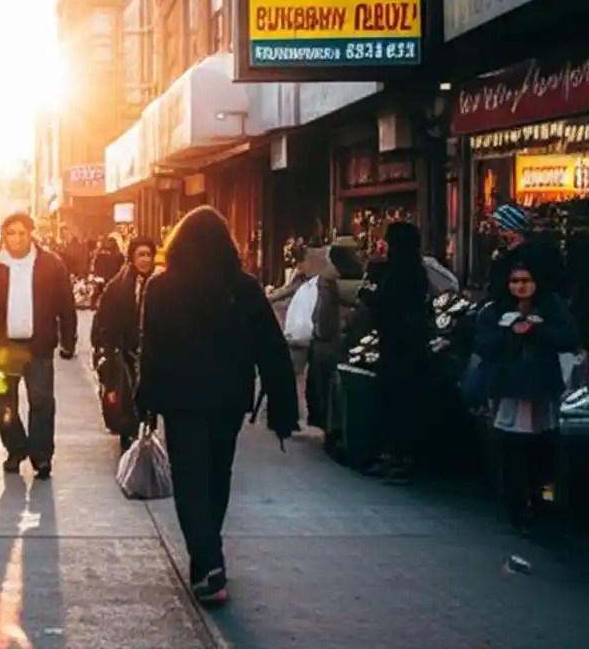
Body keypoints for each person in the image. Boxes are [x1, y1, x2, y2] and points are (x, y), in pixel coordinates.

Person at [136, 206, 298, 605]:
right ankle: (208, 560)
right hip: (227, 400)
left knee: (190, 482)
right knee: (217, 476)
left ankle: (208, 563)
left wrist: (146, 400)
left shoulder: (161, 287)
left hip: (181, 399)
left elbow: (150, 349)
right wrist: (282, 407)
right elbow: (272, 349)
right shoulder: (243, 287)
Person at [0, 212, 77, 479]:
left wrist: (68, 339)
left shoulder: (51, 264)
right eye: (10, 233)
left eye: (21, 233)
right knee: (3, 404)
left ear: (31, 234)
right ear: (3, 235)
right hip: (2, 349)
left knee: (41, 401)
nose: (16, 239)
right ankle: (15, 448)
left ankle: (41, 456)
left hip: (38, 347)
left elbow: (66, 304)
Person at [474, 260, 580, 532]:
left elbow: (568, 337)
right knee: (511, 450)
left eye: (526, 280)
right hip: (508, 391)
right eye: (515, 281)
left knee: (542, 448)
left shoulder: (551, 308)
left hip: (541, 391)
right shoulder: (494, 311)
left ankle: (539, 498)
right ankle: (517, 506)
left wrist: (537, 331)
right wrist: (509, 332)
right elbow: (483, 344)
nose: (520, 286)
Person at [363, 222, 432, 484]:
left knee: (400, 404)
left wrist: (372, 299)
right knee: (397, 403)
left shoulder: (403, 272)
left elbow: (388, 306)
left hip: (402, 348)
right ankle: (395, 455)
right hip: (402, 346)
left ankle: (401, 458)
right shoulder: (411, 270)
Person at [91, 236, 158, 450]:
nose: (145, 260)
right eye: (141, 255)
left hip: (152, 351)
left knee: (150, 397)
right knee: (127, 396)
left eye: (149, 255)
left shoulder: (161, 284)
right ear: (132, 257)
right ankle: (128, 435)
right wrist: (106, 349)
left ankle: (147, 433)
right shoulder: (118, 286)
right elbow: (104, 319)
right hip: (125, 350)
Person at [309, 240, 365, 439]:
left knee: (327, 386)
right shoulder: (363, 278)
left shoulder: (328, 281)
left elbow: (323, 315)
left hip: (329, 342)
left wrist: (319, 334)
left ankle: (331, 428)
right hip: (352, 339)